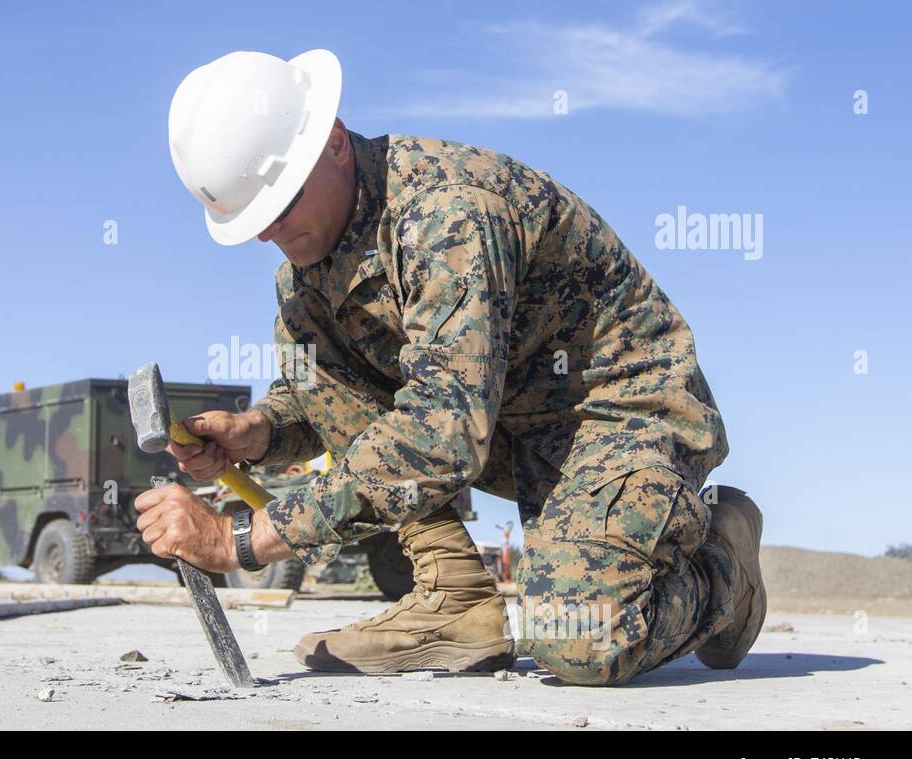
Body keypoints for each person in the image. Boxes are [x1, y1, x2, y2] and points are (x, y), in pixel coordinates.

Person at [135, 49, 764, 685]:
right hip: (508, 430)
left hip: (623, 415)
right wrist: (259, 432)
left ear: (332, 142)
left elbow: (442, 433)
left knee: (579, 638)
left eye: (283, 202)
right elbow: (320, 395)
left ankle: (724, 568)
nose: (273, 232)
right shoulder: (306, 286)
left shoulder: (447, 213)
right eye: (256, 221)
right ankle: (454, 597)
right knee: (304, 328)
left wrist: (242, 540)